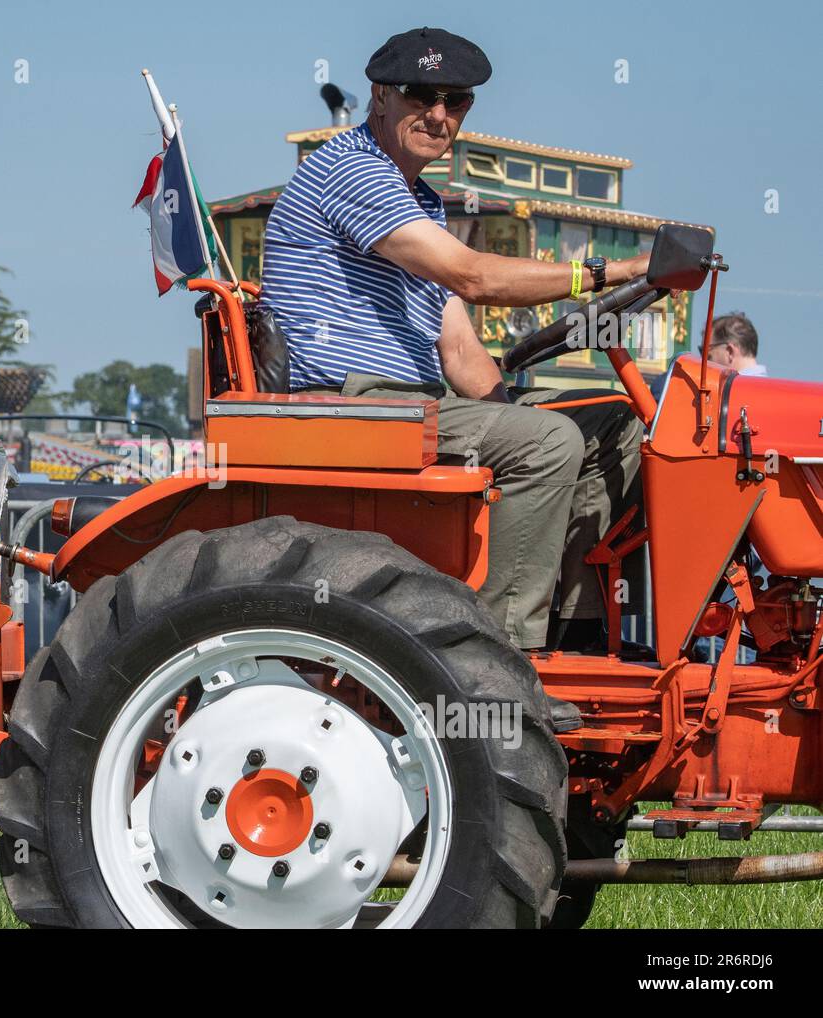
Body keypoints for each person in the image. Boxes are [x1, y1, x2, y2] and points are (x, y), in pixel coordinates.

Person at [261, 26, 648, 655]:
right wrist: (608, 272)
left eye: (456, 101)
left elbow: (461, 350)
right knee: (549, 440)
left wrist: (505, 407)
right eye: (421, 95)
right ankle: (496, 654)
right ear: (381, 96)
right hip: (354, 402)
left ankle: (579, 634)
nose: (438, 115)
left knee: (612, 423)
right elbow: (473, 277)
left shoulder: (421, 201)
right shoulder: (353, 171)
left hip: (411, 404)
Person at [708, 312, 765, 376]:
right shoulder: (770, 384)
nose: (705, 365)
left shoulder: (742, 385)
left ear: (730, 352)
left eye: (708, 357)